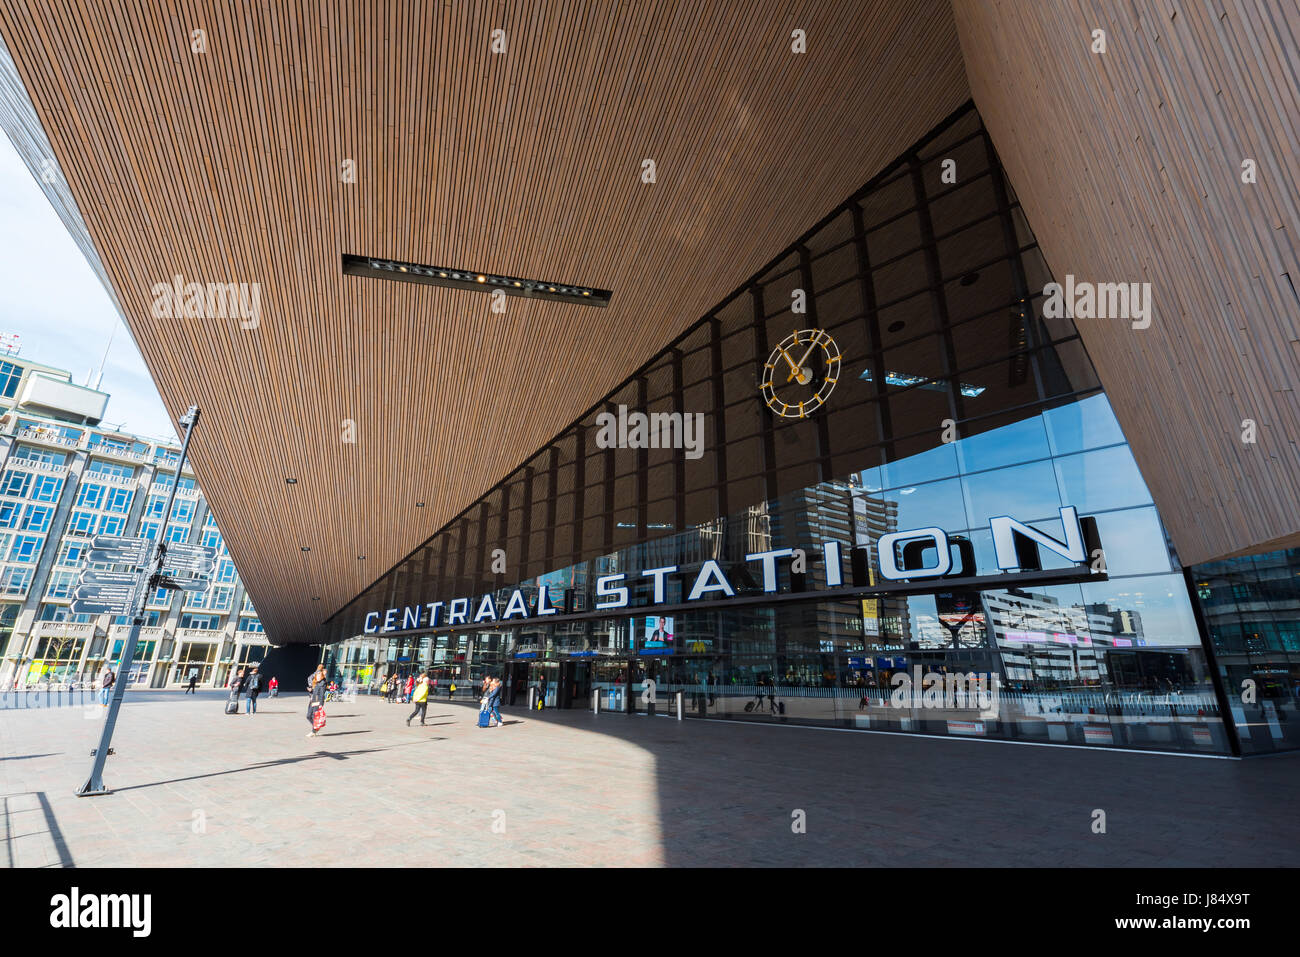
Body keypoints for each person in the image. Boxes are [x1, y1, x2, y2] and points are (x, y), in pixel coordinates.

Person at [306, 664, 327, 737]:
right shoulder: (316, 683)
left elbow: (322, 694)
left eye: (318, 675)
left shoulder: (323, 683)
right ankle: (316, 727)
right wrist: (311, 691)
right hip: (313, 699)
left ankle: (313, 731)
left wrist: (320, 704)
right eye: (316, 675)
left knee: (315, 716)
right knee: (308, 716)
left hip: (317, 701)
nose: (317, 676)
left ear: (321, 675)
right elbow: (314, 691)